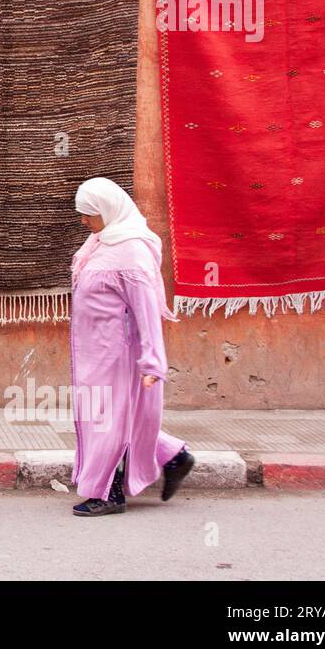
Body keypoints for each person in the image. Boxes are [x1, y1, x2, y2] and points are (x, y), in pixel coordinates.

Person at [68, 177, 195, 516]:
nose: (84, 221)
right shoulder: (102, 241)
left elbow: (147, 310)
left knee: (105, 419)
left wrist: (153, 364)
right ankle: (174, 457)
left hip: (118, 354)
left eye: (88, 214)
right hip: (95, 352)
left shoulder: (132, 251)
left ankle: (109, 493)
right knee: (111, 417)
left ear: (108, 211)